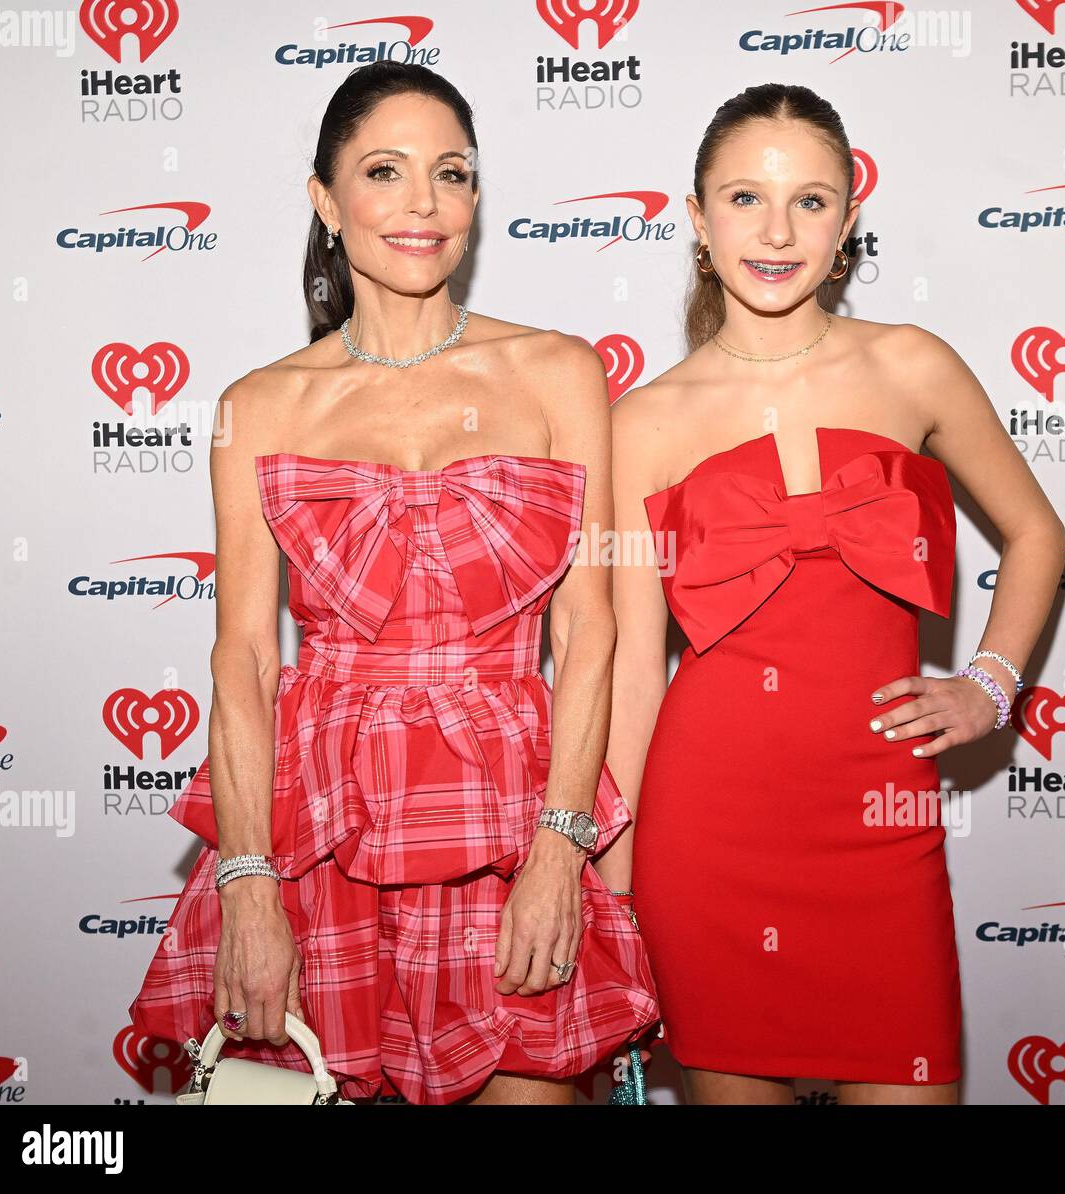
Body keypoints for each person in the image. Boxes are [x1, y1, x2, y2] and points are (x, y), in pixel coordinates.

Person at [128, 60, 659, 1106]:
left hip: (510, 815)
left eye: (452, 173)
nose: (424, 202)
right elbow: (241, 660)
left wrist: (561, 850)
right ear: (327, 200)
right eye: (385, 170)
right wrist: (248, 888)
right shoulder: (261, 405)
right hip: (326, 824)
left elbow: (587, 636)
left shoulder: (558, 371)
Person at [604, 83, 1065, 1106]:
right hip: (707, 836)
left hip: (879, 821)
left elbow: (1035, 532)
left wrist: (989, 685)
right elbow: (636, 673)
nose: (776, 232)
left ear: (850, 220)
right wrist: (613, 887)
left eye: (810, 201)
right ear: (694, 218)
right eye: (743, 199)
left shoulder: (912, 367)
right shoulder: (641, 422)